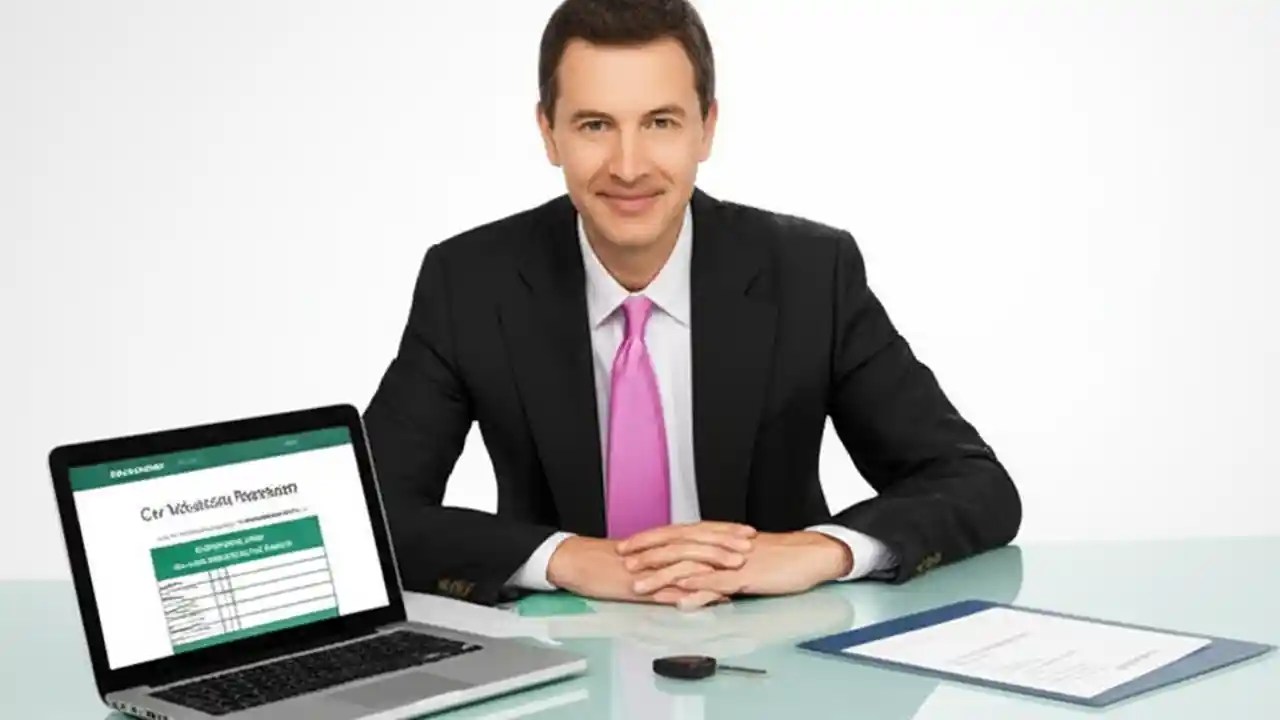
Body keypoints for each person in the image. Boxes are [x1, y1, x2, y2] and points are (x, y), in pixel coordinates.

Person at [363, 0, 1020, 610]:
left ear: (706, 128)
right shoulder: (472, 281)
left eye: (661, 122)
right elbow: (373, 511)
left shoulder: (809, 274)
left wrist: (818, 551)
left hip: (772, 657)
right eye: (595, 125)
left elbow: (972, 483)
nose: (627, 165)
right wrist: (565, 559)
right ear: (549, 133)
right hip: (565, 653)